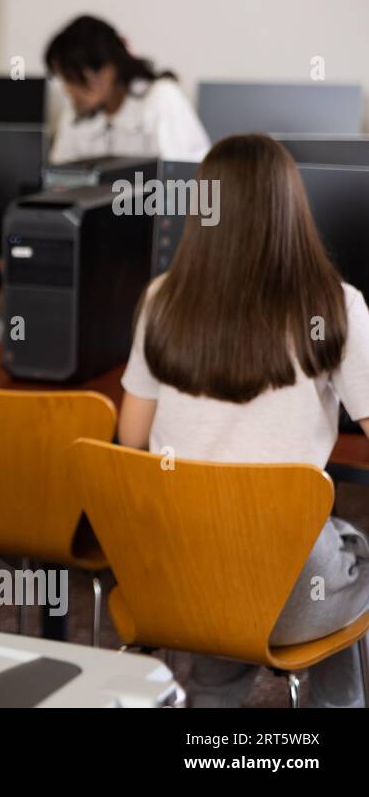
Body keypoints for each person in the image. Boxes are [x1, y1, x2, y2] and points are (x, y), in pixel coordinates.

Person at [118, 134, 369, 707]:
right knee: (351, 554)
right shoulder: (335, 306)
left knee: (220, 545)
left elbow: (129, 440)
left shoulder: (162, 300)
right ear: (292, 209)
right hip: (288, 599)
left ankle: (212, 700)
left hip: (174, 584)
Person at [45, 14, 210, 164]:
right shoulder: (75, 114)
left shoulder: (161, 98)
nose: (68, 90)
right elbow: (59, 178)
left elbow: (181, 179)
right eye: (63, 79)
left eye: (73, 78)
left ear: (108, 69)